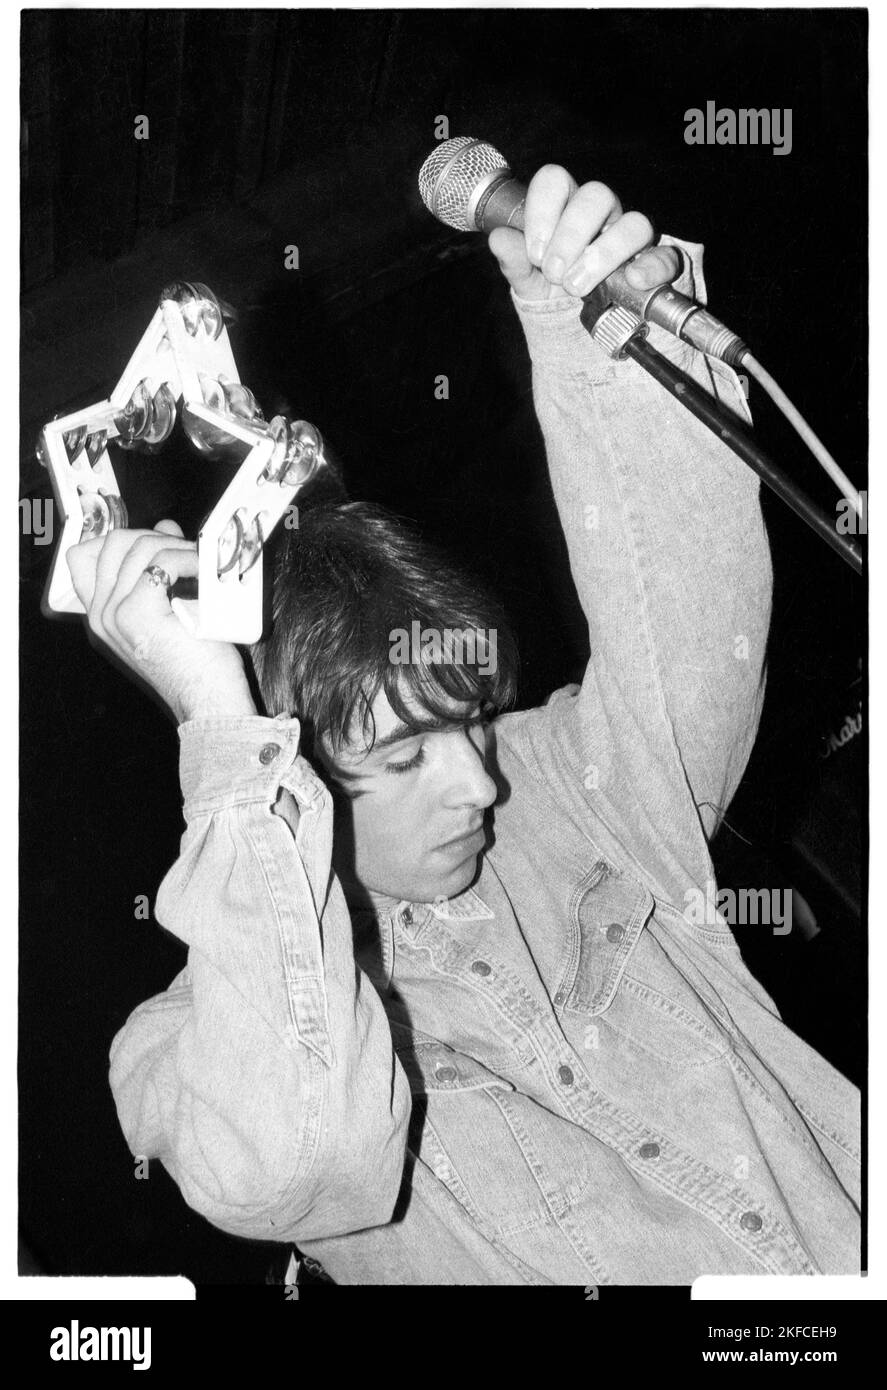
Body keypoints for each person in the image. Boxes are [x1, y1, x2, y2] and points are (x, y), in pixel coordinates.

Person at [67, 165, 860, 1285]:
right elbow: (302, 1163)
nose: (482, 781)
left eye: (473, 720)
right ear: (291, 770)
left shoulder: (568, 793)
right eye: (401, 755)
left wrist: (591, 322)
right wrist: (216, 721)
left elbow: (687, 608)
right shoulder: (180, 1039)